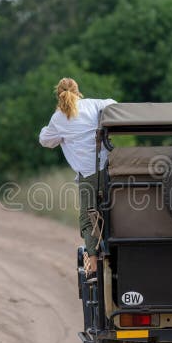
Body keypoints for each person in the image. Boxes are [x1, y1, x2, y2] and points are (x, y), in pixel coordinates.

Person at [39, 77, 116, 274]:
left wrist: (61, 134)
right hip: (111, 170)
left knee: (88, 216)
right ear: (78, 91)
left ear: (59, 94)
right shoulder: (94, 105)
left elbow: (45, 141)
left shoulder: (58, 117)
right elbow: (113, 104)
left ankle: (94, 267)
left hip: (89, 176)